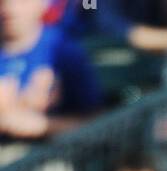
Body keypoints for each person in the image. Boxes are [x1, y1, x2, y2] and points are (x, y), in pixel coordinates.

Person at [0, 0, 101, 144]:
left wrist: (45, 125)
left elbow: (97, 122)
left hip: (54, 151)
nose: (10, 9)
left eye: (21, 1)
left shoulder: (62, 50)